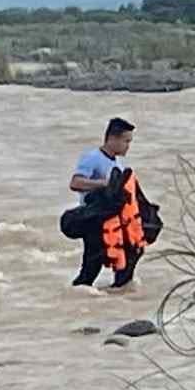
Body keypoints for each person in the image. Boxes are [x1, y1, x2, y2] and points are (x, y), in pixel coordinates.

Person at [66, 117, 140, 289]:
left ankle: (118, 297)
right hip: (93, 220)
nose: (128, 146)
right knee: (91, 268)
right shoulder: (93, 158)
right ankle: (75, 295)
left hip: (115, 223)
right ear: (112, 138)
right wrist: (104, 184)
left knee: (126, 262)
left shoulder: (118, 165)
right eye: (126, 141)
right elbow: (75, 183)